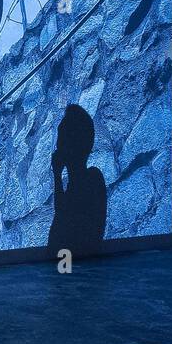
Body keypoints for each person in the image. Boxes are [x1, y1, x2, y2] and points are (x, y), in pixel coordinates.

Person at [47, 104, 107, 259]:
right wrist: (57, 176)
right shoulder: (78, 182)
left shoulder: (92, 179)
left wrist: (57, 176)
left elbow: (65, 218)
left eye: (62, 137)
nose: (57, 145)